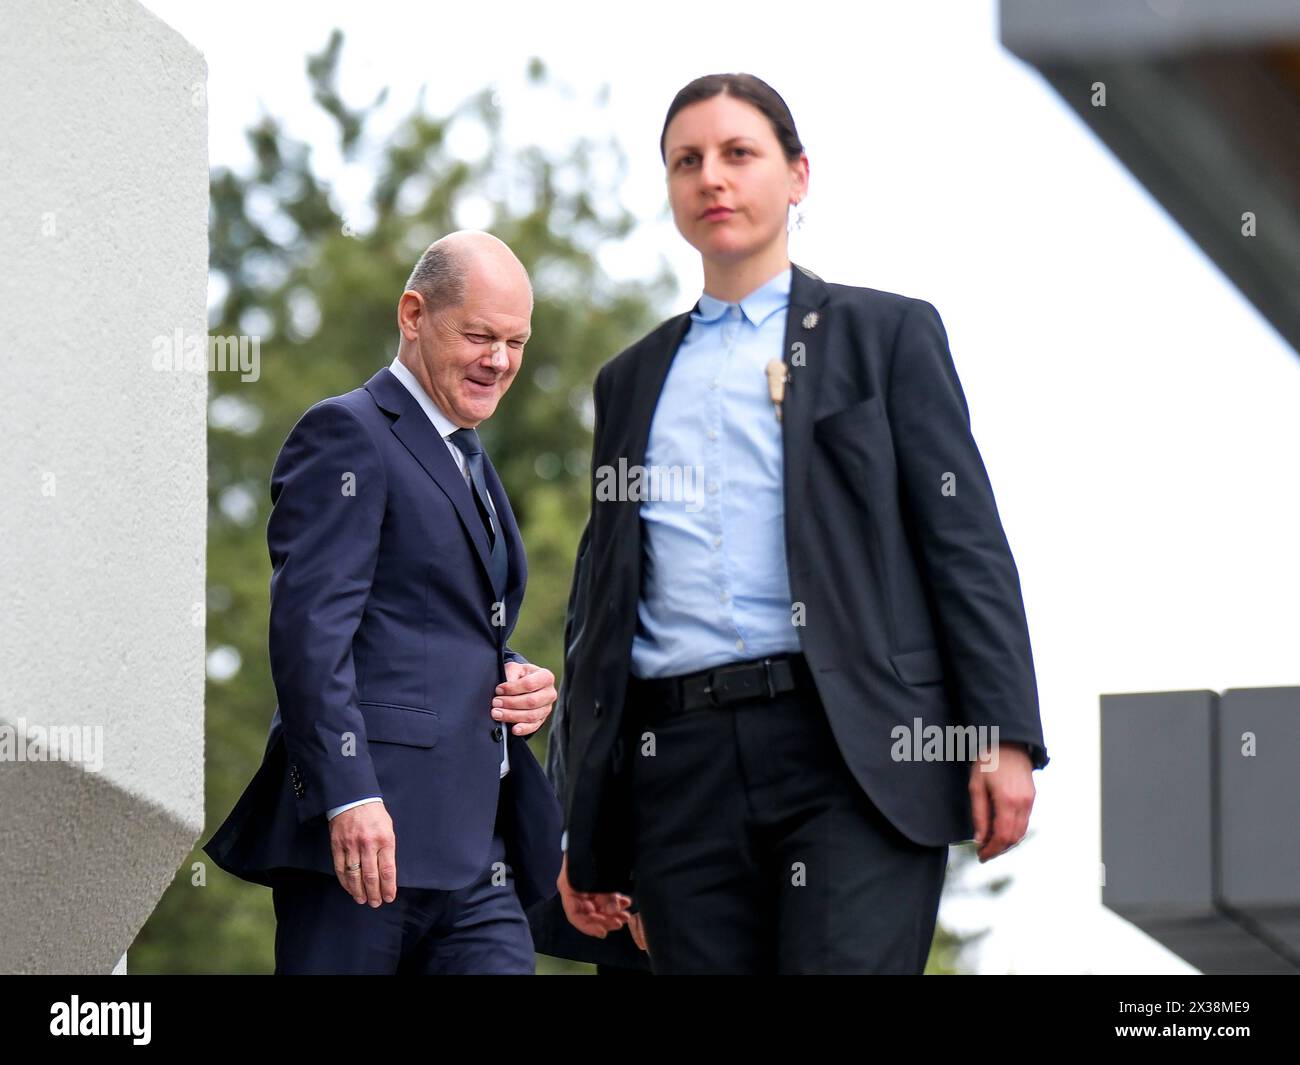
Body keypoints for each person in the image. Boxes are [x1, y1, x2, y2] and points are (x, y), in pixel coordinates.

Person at [556, 73, 1049, 974]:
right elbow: (601, 607)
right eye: (687, 161)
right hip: (679, 771)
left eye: (739, 154)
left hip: (851, 751)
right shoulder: (627, 382)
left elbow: (963, 540)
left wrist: (1001, 732)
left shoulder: (885, 335)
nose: (713, 178)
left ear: (798, 176)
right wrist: (580, 817)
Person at [203, 230, 563, 974]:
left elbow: (435, 623)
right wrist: (347, 797)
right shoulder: (348, 433)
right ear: (412, 313)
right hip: (366, 847)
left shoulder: (472, 460)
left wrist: (520, 677)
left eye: (516, 342)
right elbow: (310, 632)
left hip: (478, 856)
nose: (499, 360)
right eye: (479, 335)